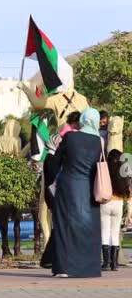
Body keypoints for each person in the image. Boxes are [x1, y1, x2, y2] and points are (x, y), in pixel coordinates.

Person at [51, 108, 103, 278]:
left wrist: (50, 180)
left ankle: (64, 268)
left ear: (82, 120)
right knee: (89, 228)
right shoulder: (99, 141)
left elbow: (56, 162)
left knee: (64, 226)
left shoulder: (70, 137)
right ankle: (90, 268)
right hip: (90, 189)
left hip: (68, 187)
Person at [40, 112, 81, 269]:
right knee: (62, 225)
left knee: (59, 225)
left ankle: (52, 258)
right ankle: (50, 258)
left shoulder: (60, 136)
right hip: (58, 191)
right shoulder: (67, 137)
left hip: (54, 191)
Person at [100, 149, 131, 271]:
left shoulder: (105, 170)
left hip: (106, 203)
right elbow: (129, 192)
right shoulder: (122, 172)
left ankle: (106, 263)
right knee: (114, 233)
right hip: (118, 203)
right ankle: (114, 264)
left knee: (105, 232)